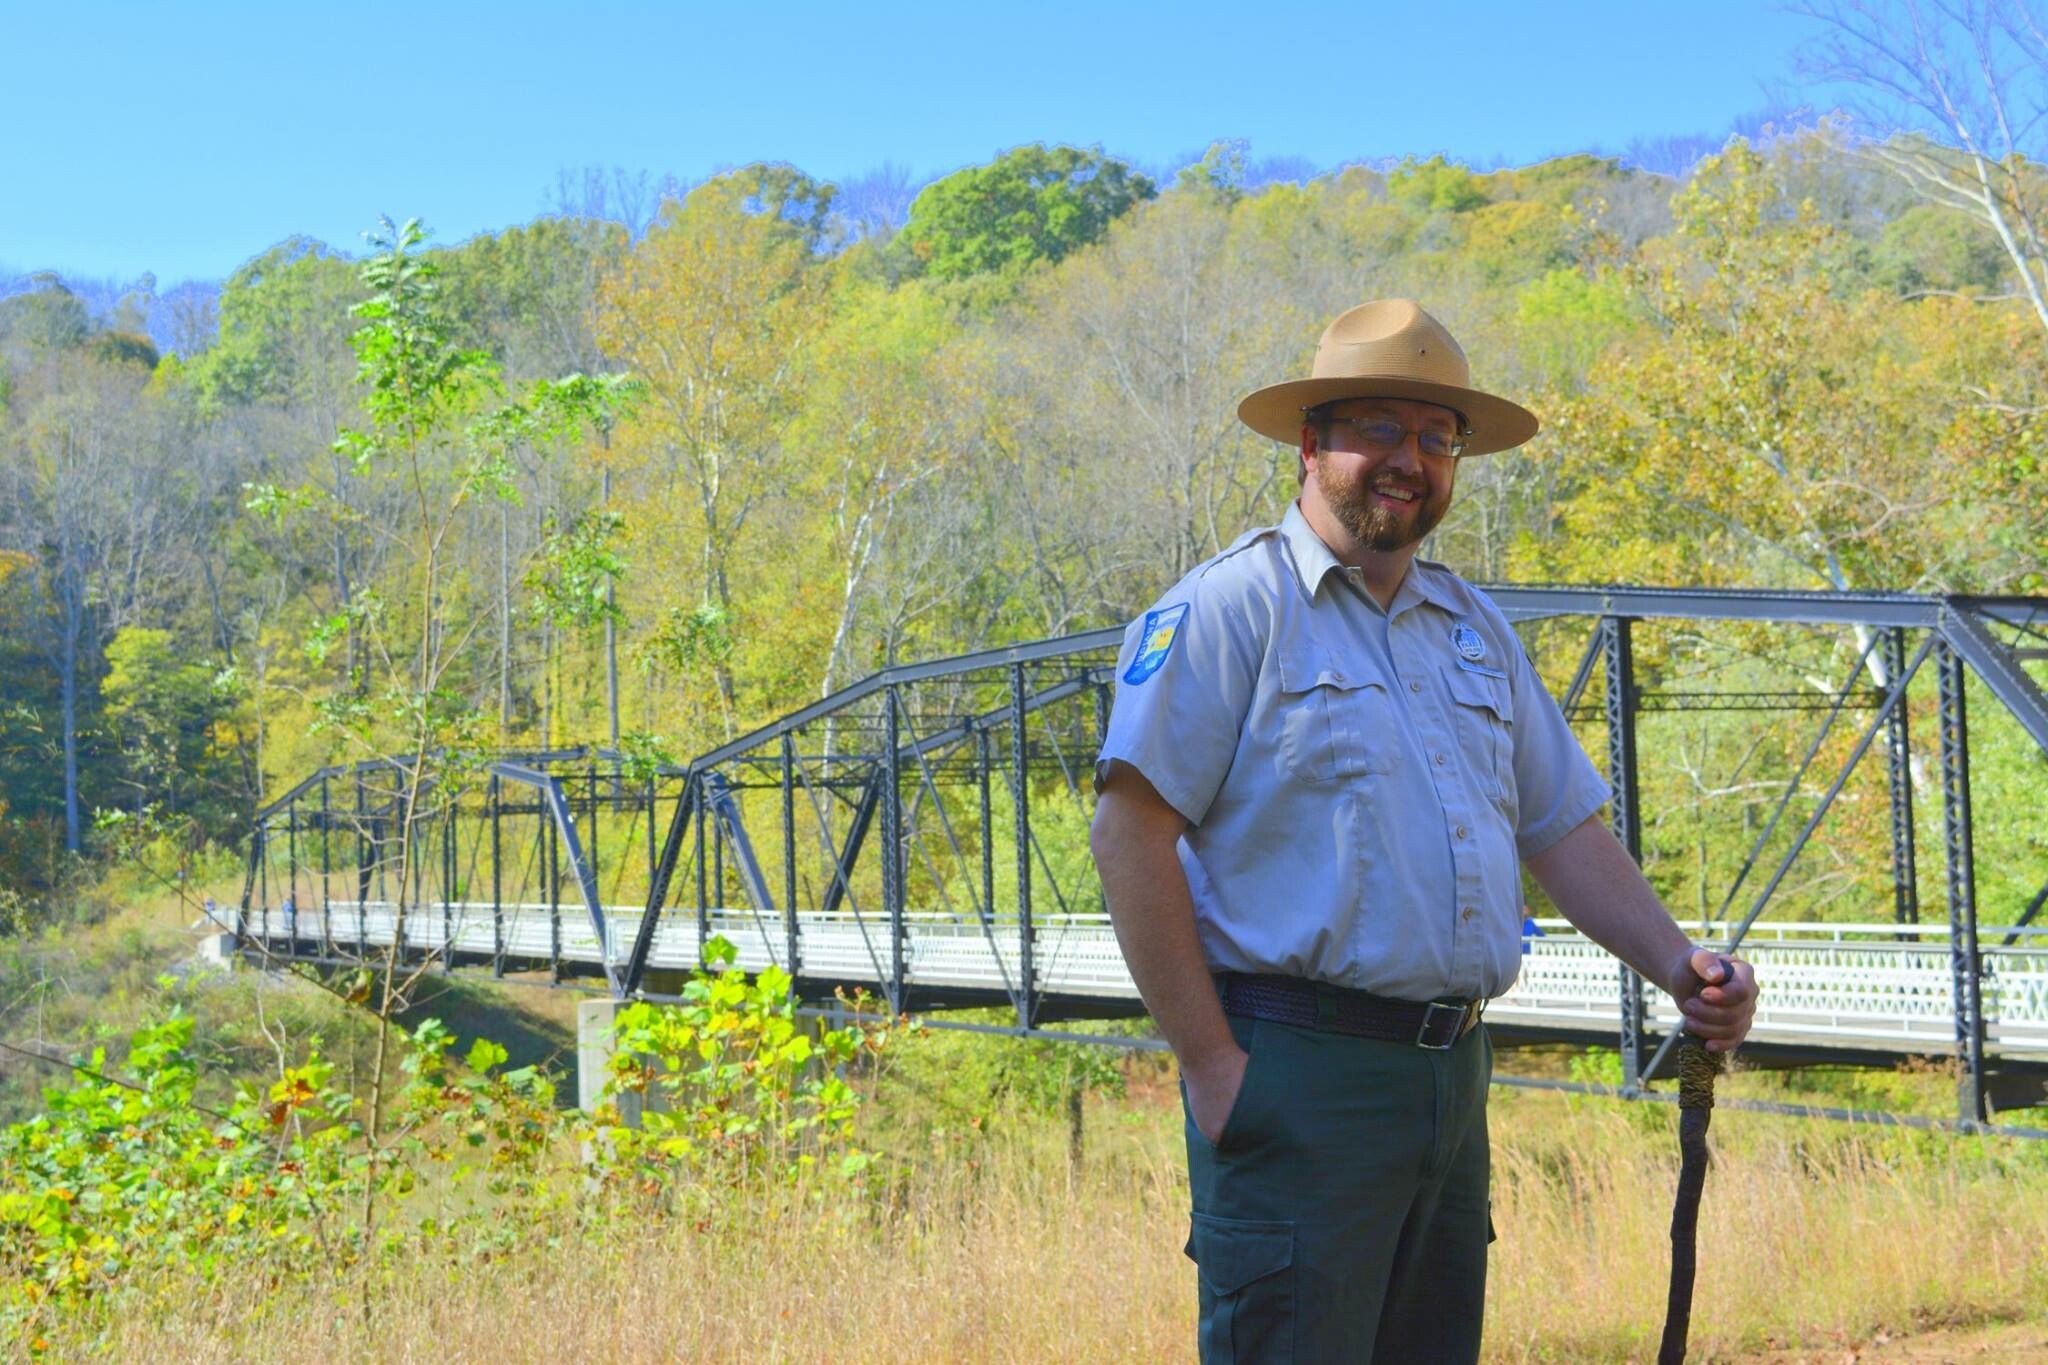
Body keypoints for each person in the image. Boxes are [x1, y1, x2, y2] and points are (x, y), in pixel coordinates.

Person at [1088, 299, 1758, 1363]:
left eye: (1436, 439)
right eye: (1381, 432)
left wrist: (1677, 965)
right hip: (1293, 1063)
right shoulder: (1229, 610)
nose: (1411, 461)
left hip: (1450, 1074)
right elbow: (1129, 838)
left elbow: (1560, 828)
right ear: (1311, 445)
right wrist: (1211, 1064)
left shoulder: (1471, 626)